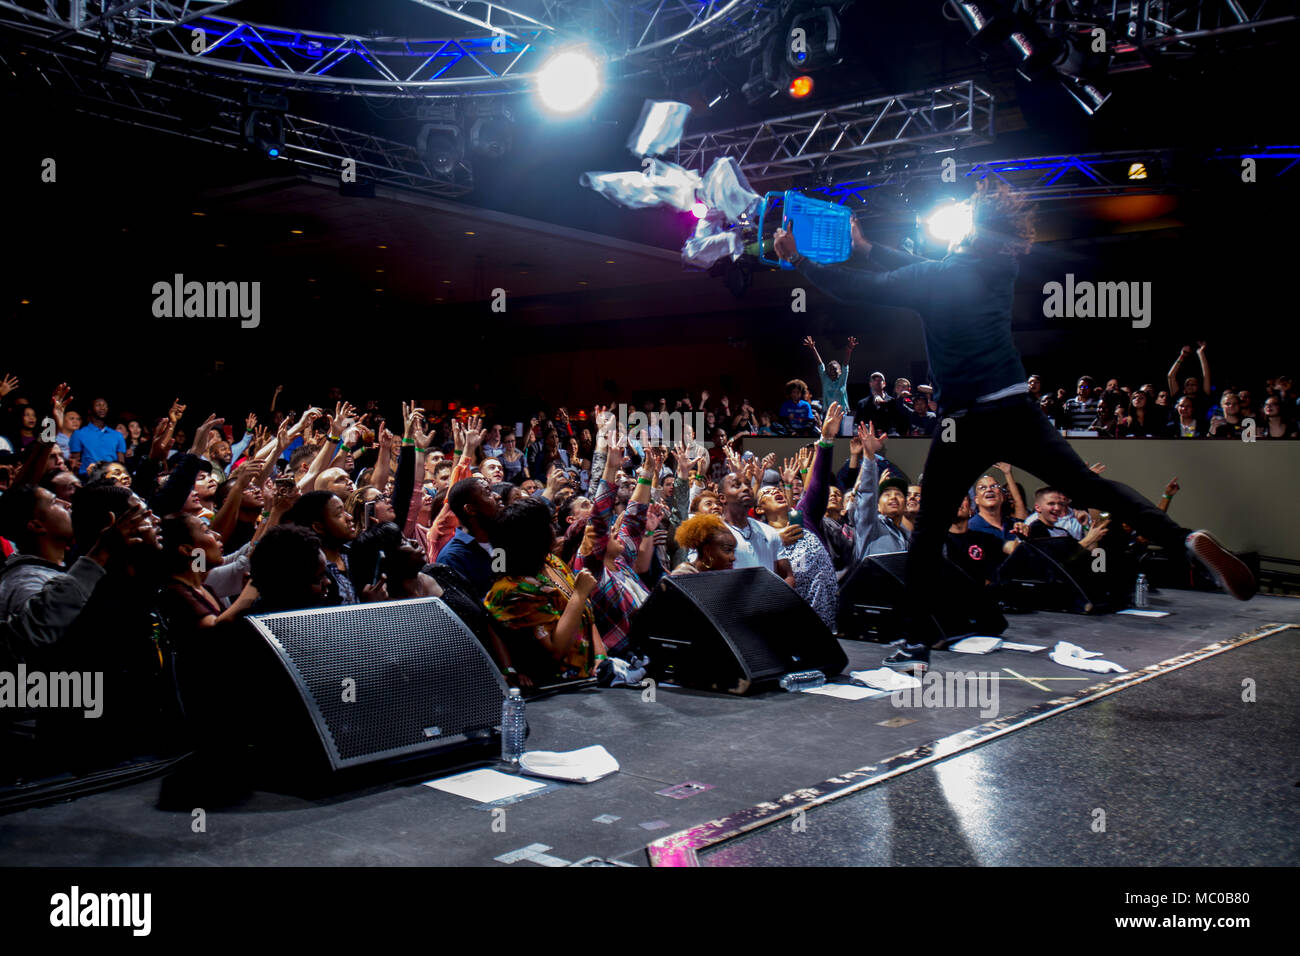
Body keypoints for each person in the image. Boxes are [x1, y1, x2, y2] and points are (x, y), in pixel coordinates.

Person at [775, 177, 1255, 672]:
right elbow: (917, 270)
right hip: (1017, 409)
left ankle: (916, 644)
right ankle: (1184, 540)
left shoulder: (939, 277)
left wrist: (800, 261)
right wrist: (869, 247)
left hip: (964, 422)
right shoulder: (998, 266)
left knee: (927, 532)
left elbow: (867, 289)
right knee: (1089, 486)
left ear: (969, 234)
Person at [484, 496, 606, 687]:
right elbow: (555, 650)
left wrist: (600, 657)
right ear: (532, 539)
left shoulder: (552, 562)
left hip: (588, 680)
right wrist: (579, 595)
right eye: (547, 526)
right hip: (555, 693)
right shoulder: (514, 590)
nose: (554, 530)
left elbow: (585, 616)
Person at [803, 335, 857, 434]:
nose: (833, 371)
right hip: (828, 414)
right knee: (828, 438)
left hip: (841, 414)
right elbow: (820, 364)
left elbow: (845, 364)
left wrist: (849, 350)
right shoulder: (825, 380)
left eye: (835, 369)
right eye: (830, 369)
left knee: (842, 437)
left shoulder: (842, 379)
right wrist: (813, 348)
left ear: (840, 371)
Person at [671, 513, 737, 574]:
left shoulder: (723, 574)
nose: (733, 558)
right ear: (707, 551)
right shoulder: (684, 574)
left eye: (734, 551)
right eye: (727, 550)